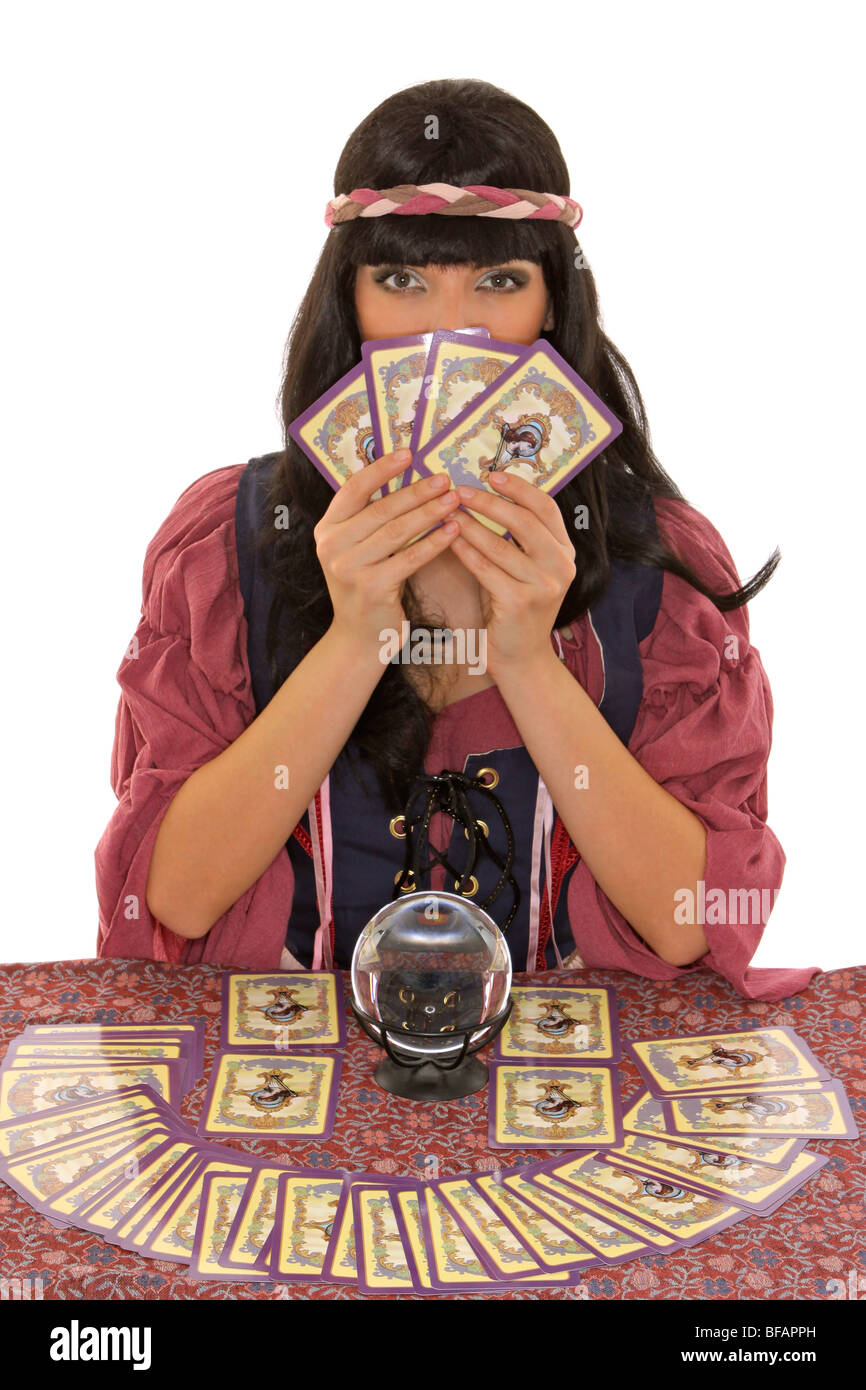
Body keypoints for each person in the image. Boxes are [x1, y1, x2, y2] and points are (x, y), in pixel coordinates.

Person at [95, 78, 817, 1001]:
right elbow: (174, 902)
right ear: (345, 303)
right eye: (401, 280)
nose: (447, 328)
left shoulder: (657, 567)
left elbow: (693, 926)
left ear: (554, 306)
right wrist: (356, 641)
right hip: (285, 1085)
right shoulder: (225, 546)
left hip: (576, 1097)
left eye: (499, 280)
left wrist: (527, 659)